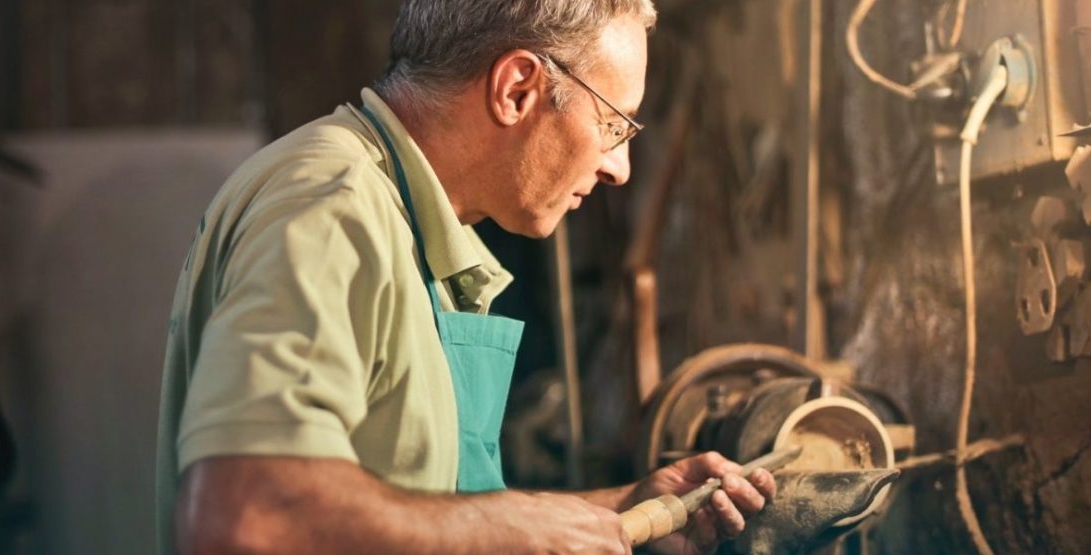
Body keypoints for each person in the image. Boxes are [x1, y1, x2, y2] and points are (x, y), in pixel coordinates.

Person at [156, 1, 776, 553]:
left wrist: (620, 513)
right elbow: (242, 515)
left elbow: (408, 509)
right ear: (516, 89)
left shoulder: (400, 218)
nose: (619, 167)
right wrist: (514, 523)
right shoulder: (333, 210)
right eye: (615, 124)